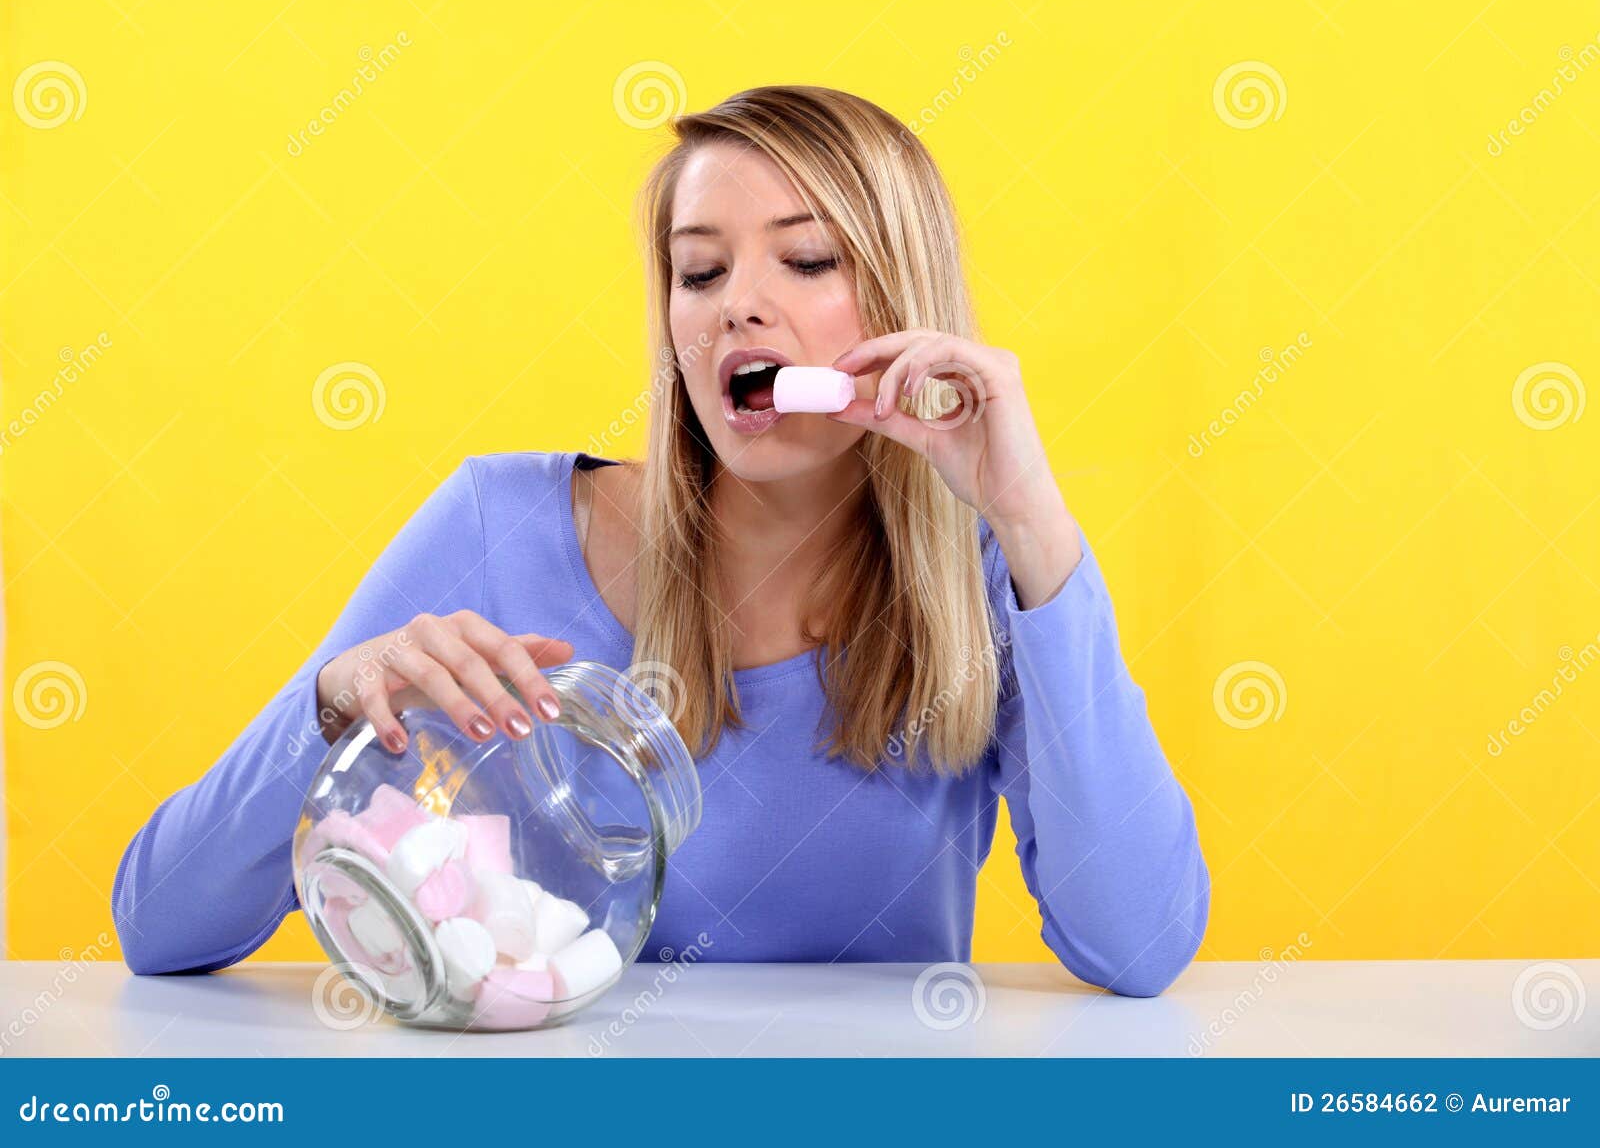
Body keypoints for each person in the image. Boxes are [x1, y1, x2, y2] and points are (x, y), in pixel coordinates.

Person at [113, 84, 1209, 996]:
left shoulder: (987, 579)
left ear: (903, 298)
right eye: (700, 271)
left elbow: (1139, 944)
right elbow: (159, 922)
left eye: (807, 260)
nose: (738, 306)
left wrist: (1029, 518)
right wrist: (331, 703)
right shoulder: (498, 523)